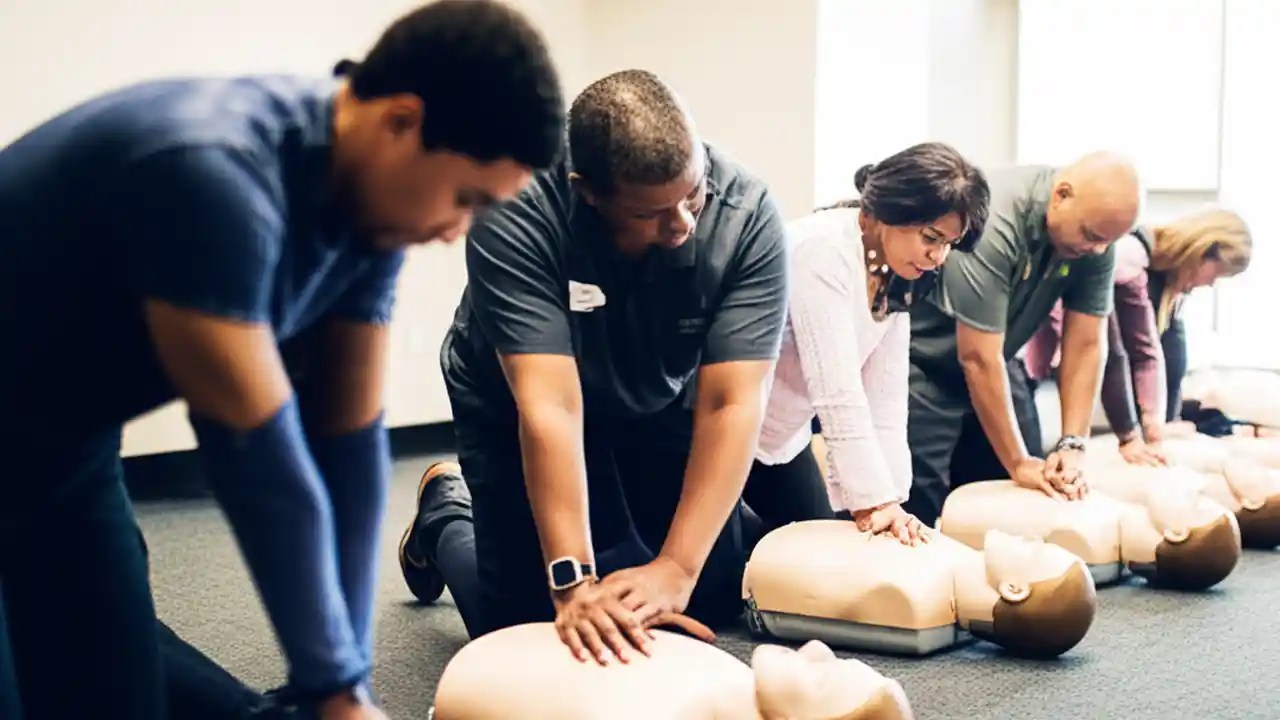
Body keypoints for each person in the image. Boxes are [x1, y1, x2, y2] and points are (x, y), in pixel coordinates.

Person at [0, 1, 565, 718]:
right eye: (464, 198)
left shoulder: (371, 221)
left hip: (61, 450)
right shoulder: (211, 173)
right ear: (399, 122)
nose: (456, 231)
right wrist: (330, 685)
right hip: (49, 437)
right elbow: (262, 469)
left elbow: (351, 453)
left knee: (117, 693)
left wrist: (348, 680)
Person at [406, 68, 791, 665]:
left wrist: (676, 566)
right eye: (654, 213)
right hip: (516, 394)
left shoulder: (748, 215)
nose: (683, 226)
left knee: (705, 595)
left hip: (653, 386)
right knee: (531, 629)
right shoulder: (515, 205)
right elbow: (550, 406)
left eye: (693, 195)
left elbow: (731, 401)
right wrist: (573, 584)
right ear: (587, 191)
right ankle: (443, 514)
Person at [753, 142, 989, 545]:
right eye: (931, 237)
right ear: (889, 212)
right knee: (722, 582)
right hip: (725, 427)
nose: (938, 256)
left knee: (824, 556)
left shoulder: (898, 267)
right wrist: (873, 502)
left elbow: (886, 396)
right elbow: (837, 391)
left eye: (949, 244)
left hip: (780, 439)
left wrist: (893, 502)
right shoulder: (822, 249)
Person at [901, 152, 1142, 527]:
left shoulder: (1096, 237)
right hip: (921, 363)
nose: (1096, 250)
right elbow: (977, 358)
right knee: (918, 505)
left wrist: (1072, 443)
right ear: (1062, 194)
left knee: (1016, 499)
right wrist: (1016, 461)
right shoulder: (995, 217)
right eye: (1092, 237)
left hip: (998, 357)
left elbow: (1086, 345)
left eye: (1106, 243)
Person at [1023, 207, 1252, 464]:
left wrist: (1161, 422)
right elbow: (1108, 348)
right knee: (1022, 460)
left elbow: (1158, 353)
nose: (1211, 284)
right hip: (1040, 364)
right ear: (1202, 250)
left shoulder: (1168, 290)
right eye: (1218, 273)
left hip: (1096, 386)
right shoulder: (1129, 257)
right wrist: (1129, 435)